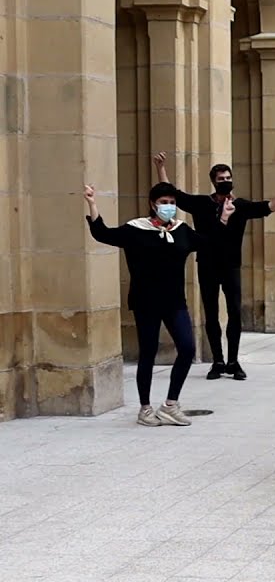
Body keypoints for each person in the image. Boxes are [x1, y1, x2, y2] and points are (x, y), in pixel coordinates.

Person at [84, 181, 225, 427]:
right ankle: (145, 408)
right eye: (163, 202)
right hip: (145, 301)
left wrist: (223, 219)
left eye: (172, 203)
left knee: (187, 348)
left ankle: (171, 404)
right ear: (153, 204)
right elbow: (103, 234)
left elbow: (209, 241)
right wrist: (93, 204)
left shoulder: (181, 230)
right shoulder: (135, 228)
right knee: (148, 353)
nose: (168, 207)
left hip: (175, 301)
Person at [153, 153, 275, 381]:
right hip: (207, 265)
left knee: (234, 313)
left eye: (228, 177)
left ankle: (233, 361)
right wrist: (161, 167)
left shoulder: (239, 206)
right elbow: (173, 193)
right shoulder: (202, 204)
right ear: (213, 181)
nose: (225, 181)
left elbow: (268, 207)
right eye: (221, 178)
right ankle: (218, 361)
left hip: (231, 266)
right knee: (211, 314)